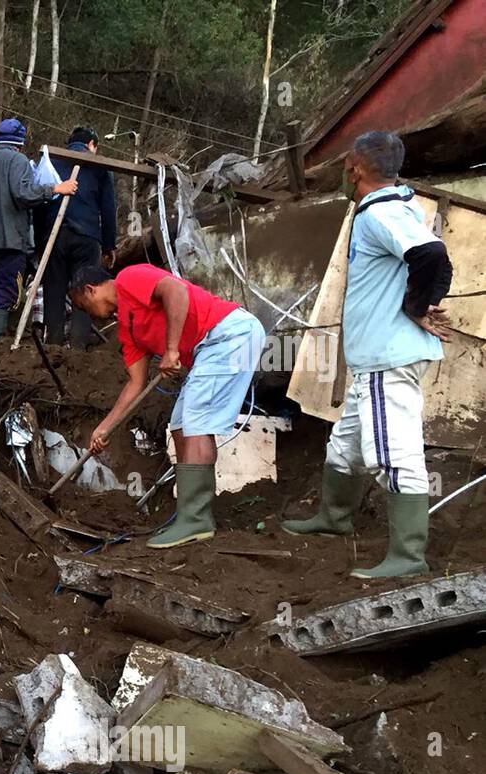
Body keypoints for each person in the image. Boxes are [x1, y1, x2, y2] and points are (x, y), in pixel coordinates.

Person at [283, 131, 453, 579]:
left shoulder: (382, 212)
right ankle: (334, 517)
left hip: (386, 358)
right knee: (346, 448)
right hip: (372, 361)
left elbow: (433, 254)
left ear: (355, 167)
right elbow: (435, 258)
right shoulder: (393, 209)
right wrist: (422, 303)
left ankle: (408, 555)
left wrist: (417, 307)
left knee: (392, 452)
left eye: (346, 166)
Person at [70, 263, 264, 549]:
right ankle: (190, 516)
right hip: (209, 348)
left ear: (90, 290)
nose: (90, 316)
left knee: (197, 421)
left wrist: (172, 349)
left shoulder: (129, 279)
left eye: (84, 307)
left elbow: (176, 289)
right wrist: (105, 428)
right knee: (182, 425)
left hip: (228, 334)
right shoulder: (128, 331)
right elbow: (135, 384)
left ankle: (196, 520)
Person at [0, 118, 77, 341]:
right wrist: (56, 188)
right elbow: (24, 193)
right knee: (5, 294)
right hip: (8, 242)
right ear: (19, 142)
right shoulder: (17, 160)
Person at [35, 127, 117, 348]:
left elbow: (39, 202)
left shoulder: (53, 161)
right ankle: (78, 347)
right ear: (91, 144)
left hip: (55, 233)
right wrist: (109, 244)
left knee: (54, 289)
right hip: (86, 236)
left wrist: (40, 242)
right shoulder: (100, 168)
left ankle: (53, 343)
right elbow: (108, 208)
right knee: (85, 289)